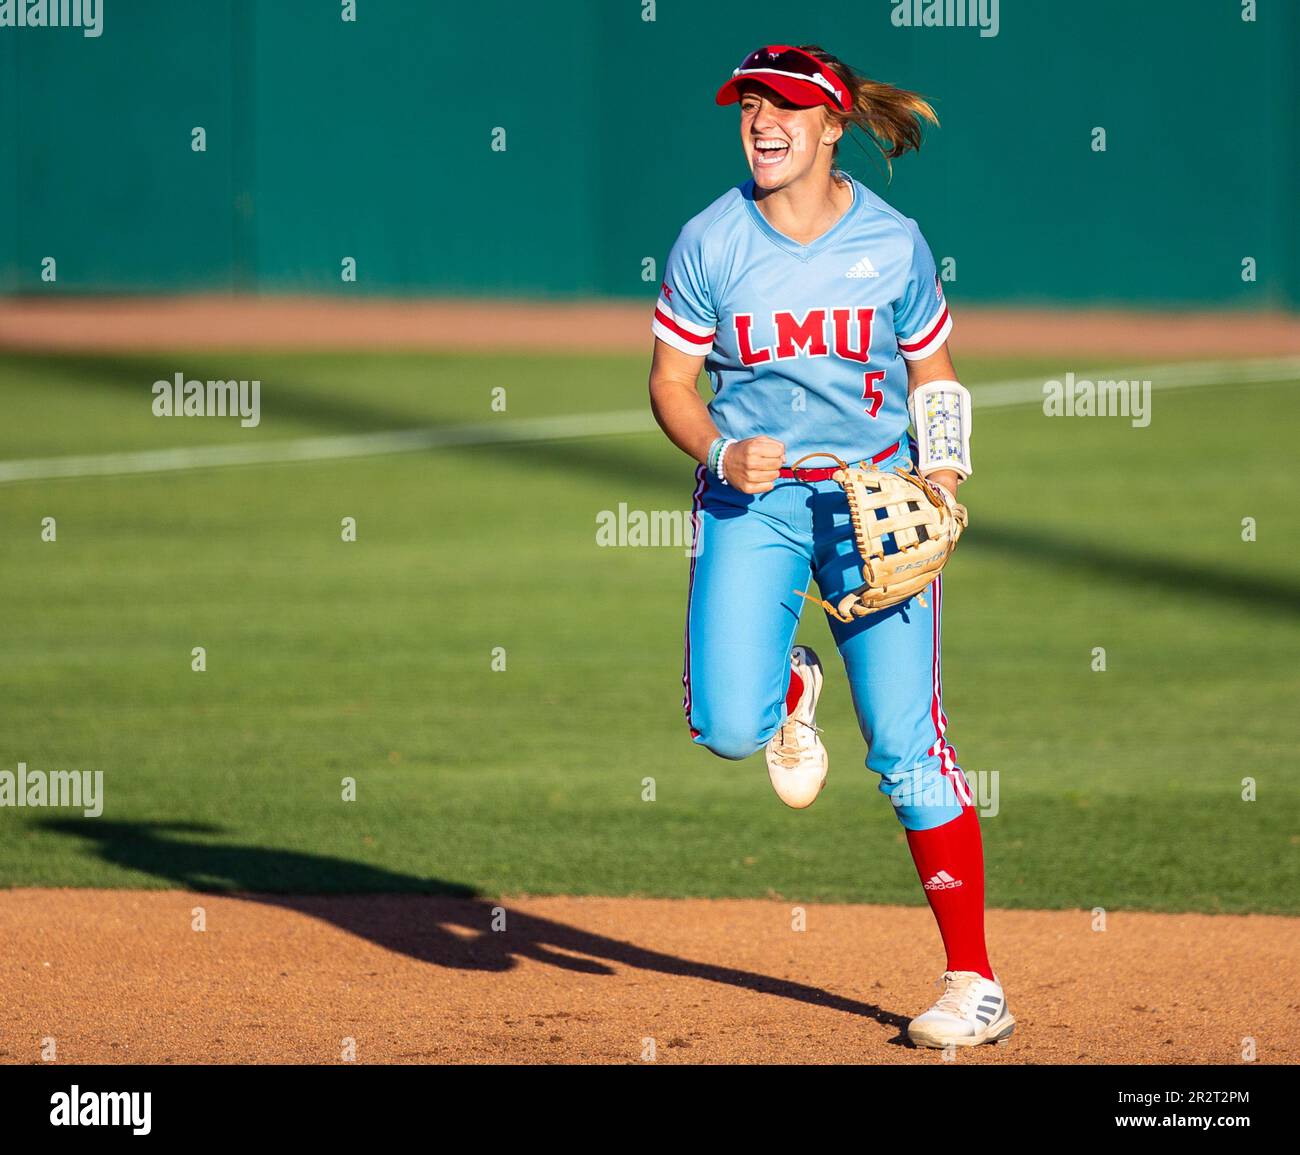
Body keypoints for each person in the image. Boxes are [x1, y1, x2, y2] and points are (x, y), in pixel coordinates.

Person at [647, 44, 1014, 1048]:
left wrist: (941, 475)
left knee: (905, 745)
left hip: (871, 503)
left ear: (831, 122)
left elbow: (931, 370)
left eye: (785, 107)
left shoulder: (891, 241)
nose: (762, 122)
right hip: (751, 503)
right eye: (748, 106)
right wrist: (720, 449)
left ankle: (973, 984)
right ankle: (786, 690)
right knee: (726, 727)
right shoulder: (709, 241)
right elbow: (670, 385)